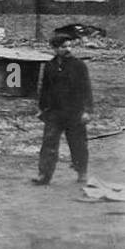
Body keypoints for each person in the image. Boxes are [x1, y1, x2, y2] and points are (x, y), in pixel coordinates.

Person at [34, 33, 94, 185]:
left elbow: (86, 89)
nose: (68, 49)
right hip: (54, 112)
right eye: (63, 47)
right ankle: (44, 175)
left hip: (75, 112)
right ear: (54, 48)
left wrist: (87, 110)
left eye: (69, 46)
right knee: (49, 144)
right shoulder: (49, 66)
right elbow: (45, 89)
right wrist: (42, 108)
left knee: (78, 144)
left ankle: (82, 172)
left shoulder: (79, 66)